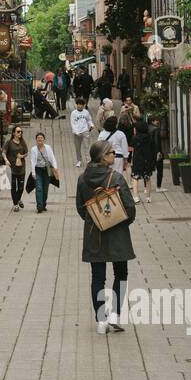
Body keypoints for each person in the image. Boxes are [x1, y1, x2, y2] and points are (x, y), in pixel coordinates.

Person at [76, 140, 137, 334]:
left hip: (95, 233)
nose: (114, 155)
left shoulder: (82, 179)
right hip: (117, 232)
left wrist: (95, 219)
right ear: (103, 157)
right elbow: (130, 208)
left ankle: (101, 320)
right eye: (111, 152)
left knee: (97, 277)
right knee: (121, 274)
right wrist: (119, 222)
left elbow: (80, 208)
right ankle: (115, 315)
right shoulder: (116, 178)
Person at [130, 114, 158, 204]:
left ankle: (136, 197)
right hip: (147, 159)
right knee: (148, 178)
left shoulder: (135, 138)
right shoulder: (149, 138)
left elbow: (132, 145)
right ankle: (148, 197)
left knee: (135, 178)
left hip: (138, 160)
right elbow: (153, 149)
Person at [30, 131, 59, 213]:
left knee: (45, 188)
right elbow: (32, 161)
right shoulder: (33, 149)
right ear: (36, 140)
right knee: (39, 188)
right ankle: (39, 206)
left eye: (41, 138)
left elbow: (52, 157)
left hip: (47, 170)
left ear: (44, 139)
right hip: (38, 170)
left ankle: (44, 204)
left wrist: (55, 167)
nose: (40, 139)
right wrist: (33, 173)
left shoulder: (48, 147)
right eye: (38, 138)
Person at [4, 125, 29, 211]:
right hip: (12, 168)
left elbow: (27, 153)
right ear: (14, 133)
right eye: (18, 132)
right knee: (14, 186)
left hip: (21, 168)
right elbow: (3, 152)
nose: (20, 133)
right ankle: (15, 205)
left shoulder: (23, 142)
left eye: (21, 132)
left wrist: (22, 156)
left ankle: (18, 199)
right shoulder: (9, 142)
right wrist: (6, 160)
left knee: (21, 187)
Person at [70, 97, 95, 168]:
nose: (79, 106)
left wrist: (91, 125)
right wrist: (76, 132)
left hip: (85, 131)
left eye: (81, 104)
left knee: (86, 146)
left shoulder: (86, 112)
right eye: (78, 104)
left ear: (83, 105)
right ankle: (79, 160)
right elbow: (73, 123)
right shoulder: (73, 113)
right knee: (77, 148)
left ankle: (88, 160)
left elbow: (89, 120)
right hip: (77, 133)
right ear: (76, 105)